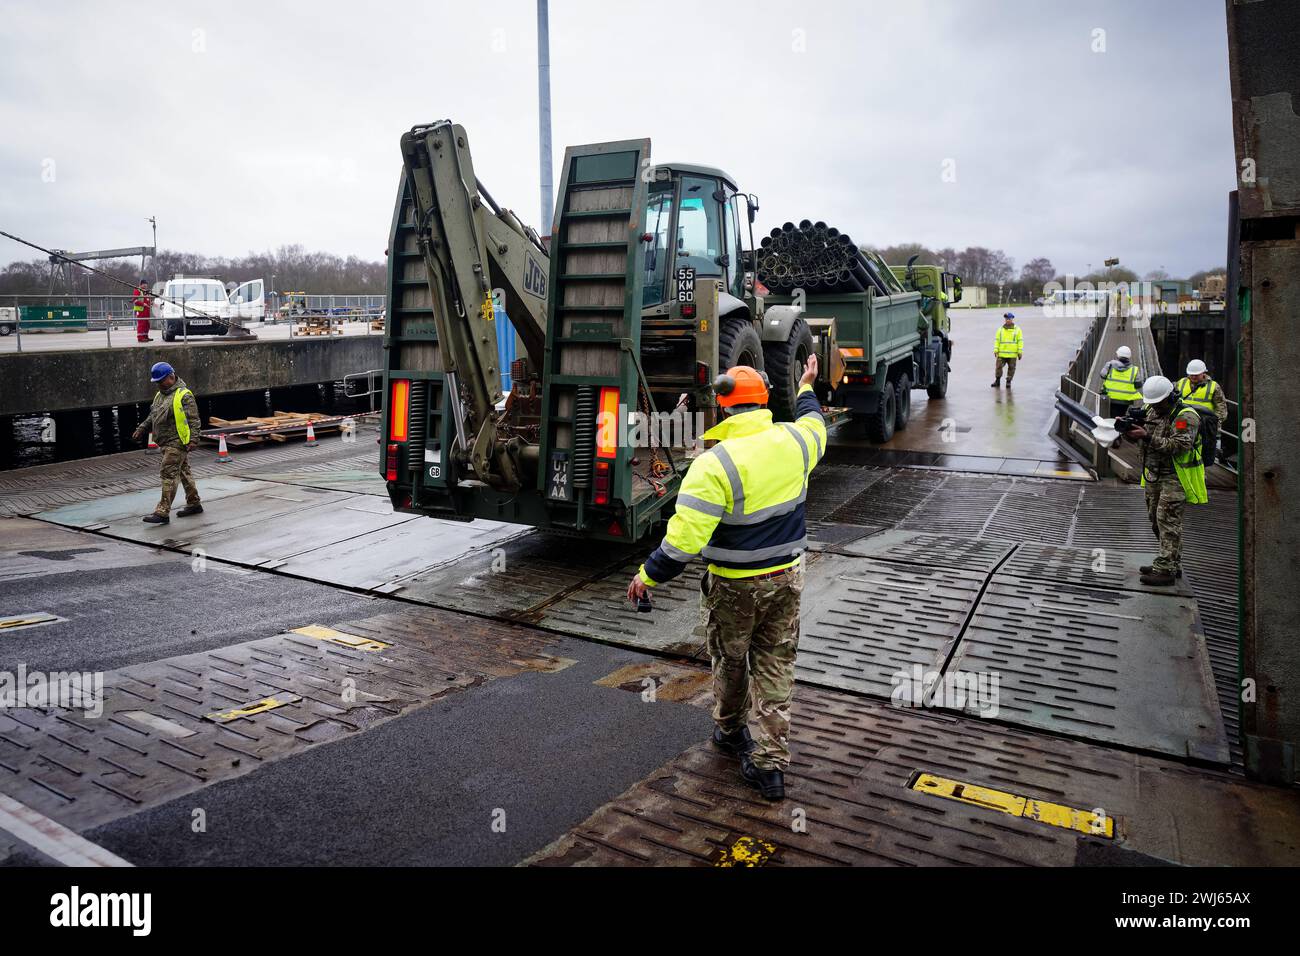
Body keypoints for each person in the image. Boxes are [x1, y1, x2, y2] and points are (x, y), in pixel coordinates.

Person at [627, 355, 826, 802]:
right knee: (776, 663)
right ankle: (771, 765)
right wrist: (807, 385)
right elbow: (814, 420)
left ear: (722, 407)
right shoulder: (797, 441)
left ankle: (731, 731)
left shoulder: (712, 465)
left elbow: (682, 543)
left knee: (731, 659)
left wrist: (647, 576)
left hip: (734, 586)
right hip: (787, 578)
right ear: (764, 402)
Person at [1123, 375, 1207, 586]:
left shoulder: (1184, 417)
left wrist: (1147, 437)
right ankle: (1170, 562)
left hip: (1175, 476)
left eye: (1158, 403)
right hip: (1153, 474)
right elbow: (1144, 435)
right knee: (1155, 520)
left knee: (1168, 520)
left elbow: (1179, 446)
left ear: (1169, 397)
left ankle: (1165, 569)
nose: (1154, 407)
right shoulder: (1152, 409)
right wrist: (1128, 432)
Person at [131, 362, 203, 524]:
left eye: (161, 381)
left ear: (171, 376)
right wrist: (142, 427)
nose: (159, 384)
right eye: (157, 382)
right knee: (184, 472)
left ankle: (162, 512)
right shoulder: (160, 395)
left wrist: (194, 440)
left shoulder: (184, 395)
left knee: (168, 473)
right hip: (165, 441)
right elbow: (153, 415)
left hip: (177, 442)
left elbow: (194, 420)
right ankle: (194, 503)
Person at [1175, 359, 1228, 425]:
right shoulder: (1181, 383)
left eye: (1196, 375)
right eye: (1191, 374)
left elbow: (1221, 408)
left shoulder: (1214, 386)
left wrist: (1214, 423)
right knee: (1180, 434)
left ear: (1203, 373)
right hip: (1182, 421)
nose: (1194, 377)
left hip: (1204, 423)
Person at [1099, 345, 1144, 418]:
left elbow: (1102, 375)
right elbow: (1138, 385)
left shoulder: (1110, 365)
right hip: (1125, 400)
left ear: (1117, 355)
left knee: (1109, 416)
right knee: (1120, 416)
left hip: (1110, 397)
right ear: (1129, 357)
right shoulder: (1134, 369)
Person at [992, 312, 1023, 388]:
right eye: (1006, 319)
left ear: (1012, 319)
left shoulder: (1017, 330)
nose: (1007, 320)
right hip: (1002, 354)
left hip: (1012, 354)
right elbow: (997, 340)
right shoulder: (1000, 329)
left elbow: (1020, 341)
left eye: (1009, 319)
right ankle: (997, 381)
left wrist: (1020, 352)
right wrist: (996, 350)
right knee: (998, 367)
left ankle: (1008, 382)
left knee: (1011, 368)